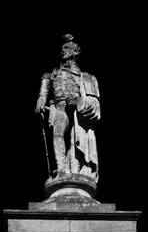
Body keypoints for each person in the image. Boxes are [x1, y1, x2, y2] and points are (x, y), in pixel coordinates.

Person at [35, 33, 100, 183]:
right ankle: (61, 168)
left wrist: (79, 102)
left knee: (74, 141)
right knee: (58, 133)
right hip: (58, 109)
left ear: (76, 52)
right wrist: (40, 103)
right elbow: (43, 95)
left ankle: (75, 171)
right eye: (62, 48)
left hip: (77, 112)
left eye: (67, 48)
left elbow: (93, 102)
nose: (63, 51)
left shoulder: (86, 77)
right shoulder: (51, 74)